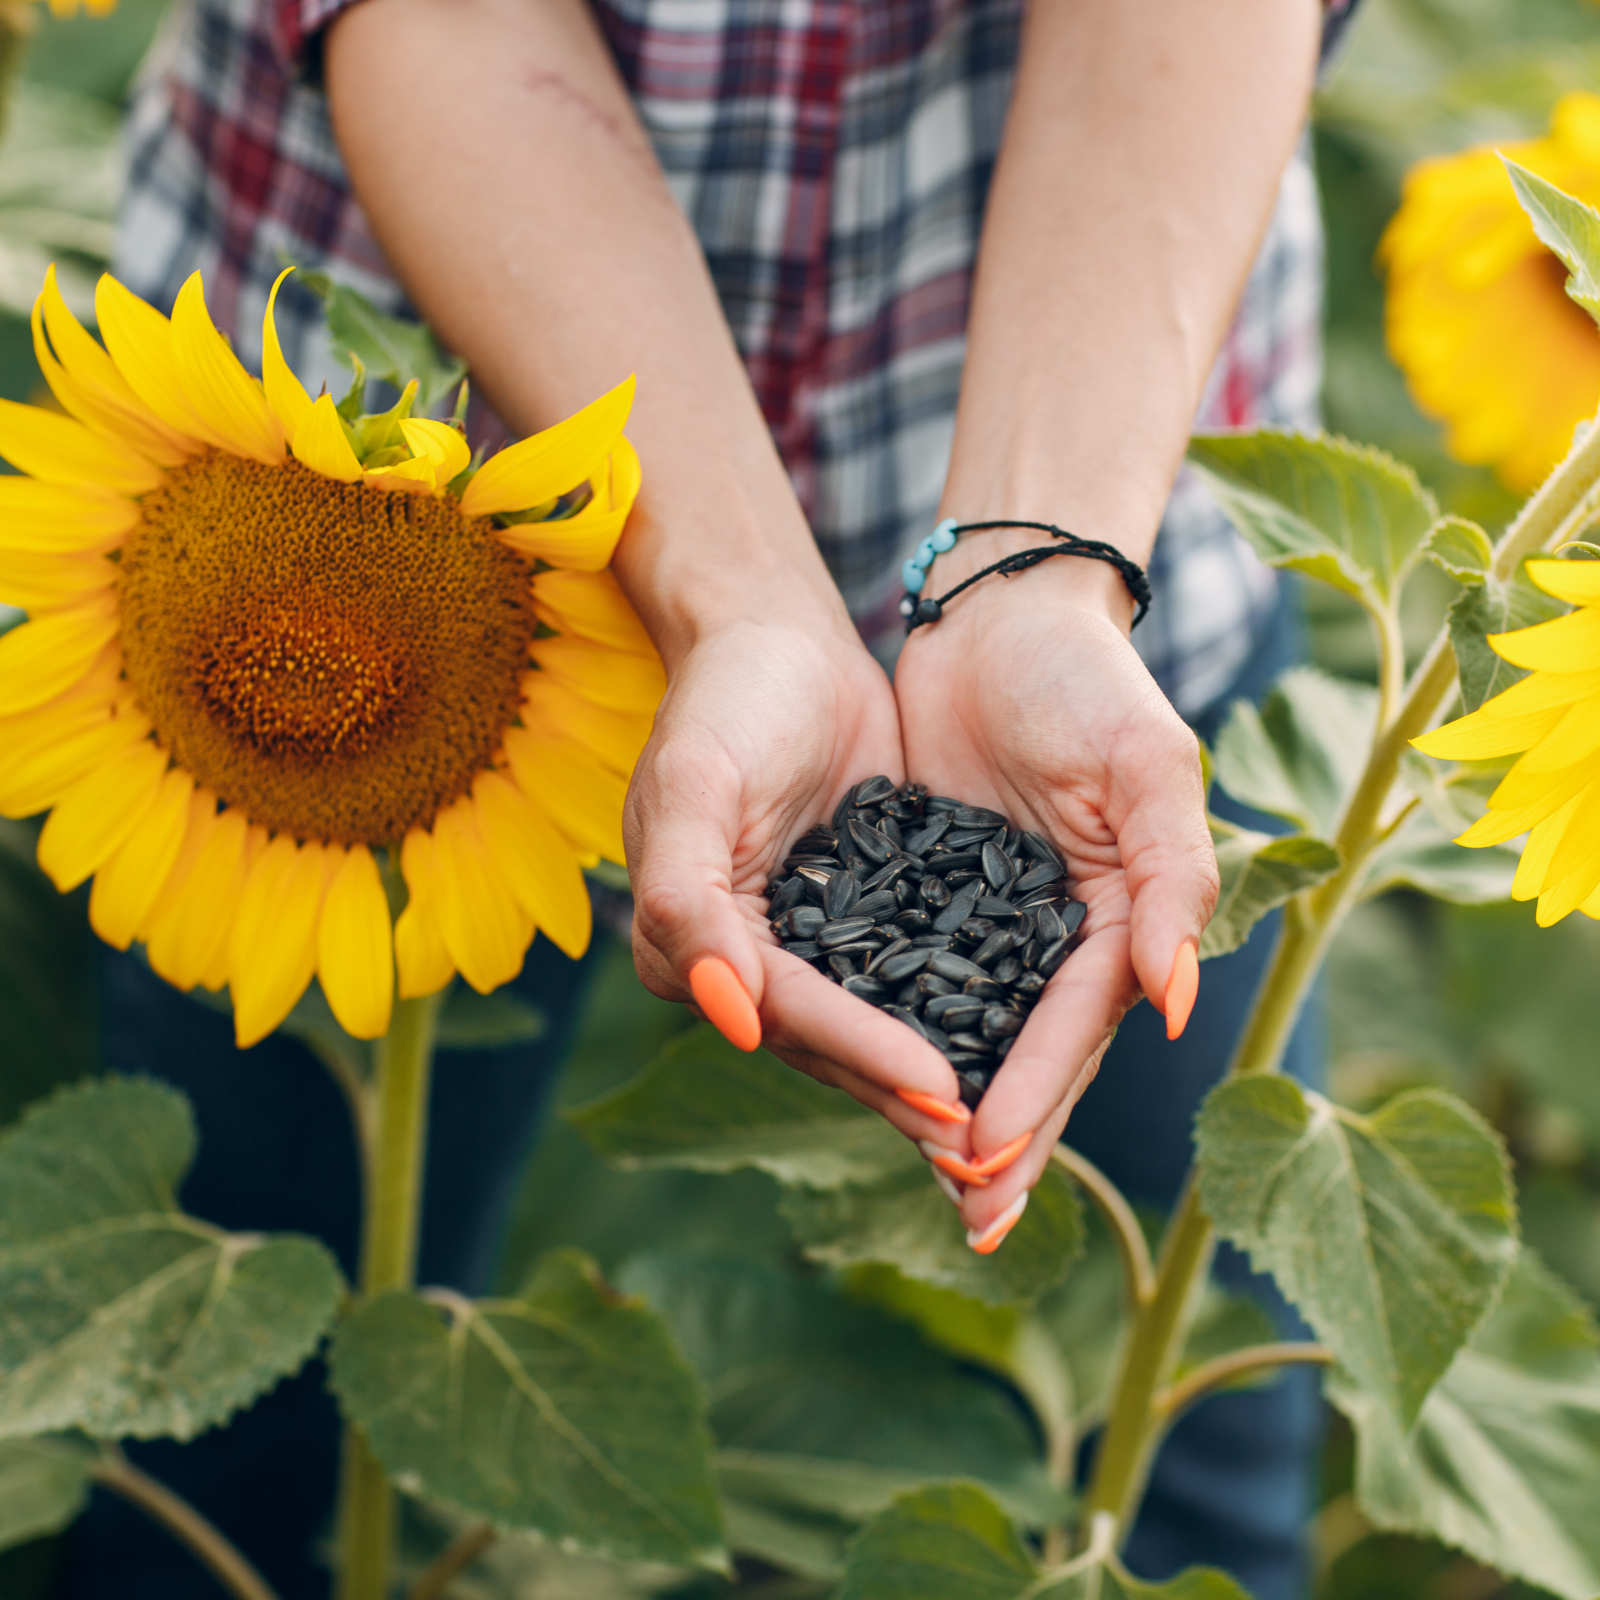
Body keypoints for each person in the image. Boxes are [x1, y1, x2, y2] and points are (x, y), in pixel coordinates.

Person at [66, 1, 1354, 1596]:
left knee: (1182, 1474)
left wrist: (1047, 577)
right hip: (368, 515)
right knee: (213, 1459)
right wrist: (740, 595)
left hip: (1118, 483)